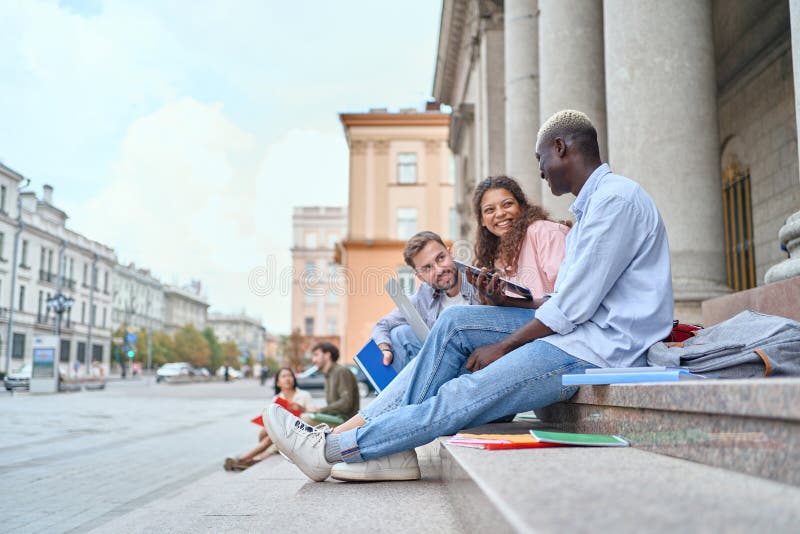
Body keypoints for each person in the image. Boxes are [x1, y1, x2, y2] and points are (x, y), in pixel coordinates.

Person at [263, 109, 674, 483]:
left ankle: (330, 449)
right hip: (574, 331)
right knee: (454, 321)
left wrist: (504, 346)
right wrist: (510, 306)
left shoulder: (616, 201)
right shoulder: (592, 209)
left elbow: (572, 307)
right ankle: (393, 445)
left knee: (462, 393)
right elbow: (563, 302)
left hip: (596, 348)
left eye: (540, 159)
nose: (543, 172)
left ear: (561, 148)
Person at [371, 231, 480, 372]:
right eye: (427, 268)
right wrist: (385, 348)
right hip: (439, 365)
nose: (439, 270)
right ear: (420, 276)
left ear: (451, 253)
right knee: (399, 333)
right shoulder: (424, 294)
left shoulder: (479, 283)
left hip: (472, 366)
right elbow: (382, 325)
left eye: (441, 258)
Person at [472, 175, 569, 299]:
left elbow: (567, 295)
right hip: (518, 317)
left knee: (453, 314)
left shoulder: (545, 232)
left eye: (507, 204)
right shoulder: (494, 256)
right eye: (490, 210)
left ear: (521, 206)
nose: (500, 213)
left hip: (550, 316)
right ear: (482, 221)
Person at [224, 367, 315, 471]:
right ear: (278, 383)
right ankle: (242, 462)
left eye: (290, 376)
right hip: (281, 433)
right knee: (267, 434)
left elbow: (314, 414)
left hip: (298, 432)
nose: (287, 379)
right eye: (283, 376)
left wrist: (301, 408)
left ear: (294, 379)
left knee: (271, 441)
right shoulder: (277, 399)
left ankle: (241, 460)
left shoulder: (304, 395)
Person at [301, 342, 359, 425]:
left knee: (306, 421)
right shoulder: (328, 375)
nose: (313, 360)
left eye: (316, 355)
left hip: (346, 421)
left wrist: (320, 410)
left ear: (327, 355)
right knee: (303, 417)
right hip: (336, 418)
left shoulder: (341, 371)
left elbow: (346, 403)